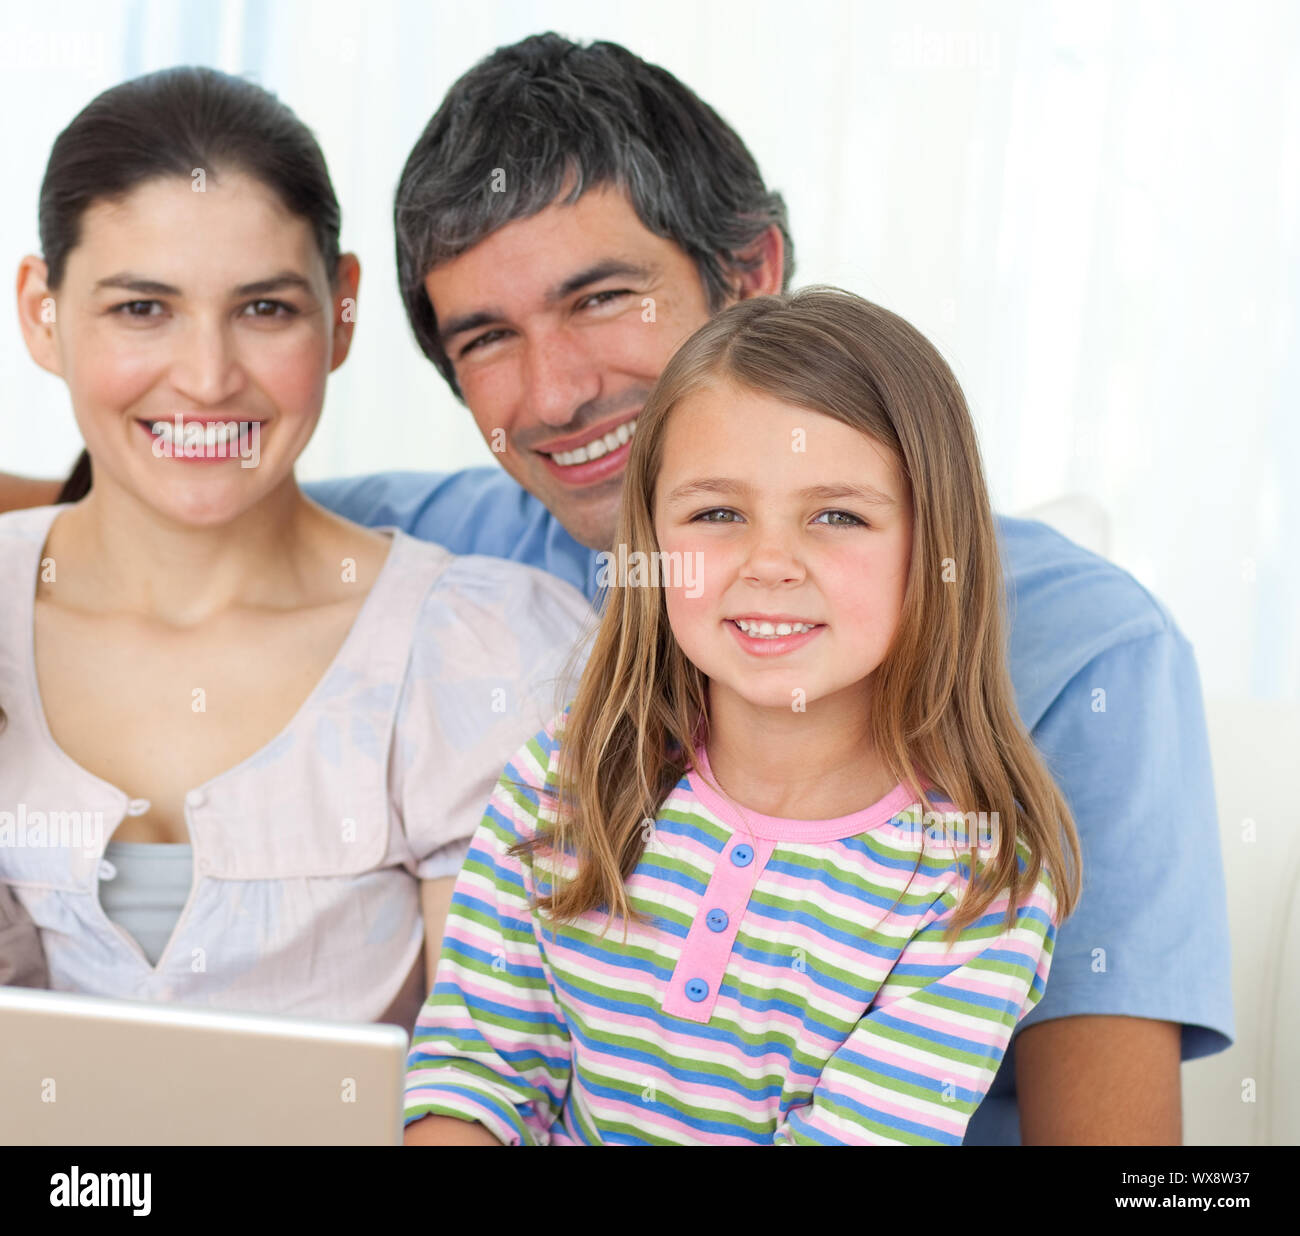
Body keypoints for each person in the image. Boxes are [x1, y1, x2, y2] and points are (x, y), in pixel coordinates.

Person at [0, 34, 1233, 1144]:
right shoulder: (456, 545)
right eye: (486, 336)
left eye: (602, 298)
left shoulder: (1084, 654)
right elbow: (181, 482)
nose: (553, 394)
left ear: (751, 271)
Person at [404, 287, 1081, 1145]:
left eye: (836, 516)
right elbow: (475, 1074)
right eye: (717, 514)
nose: (769, 563)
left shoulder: (975, 884)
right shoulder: (562, 781)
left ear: (932, 547)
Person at [0, 66, 589, 1032]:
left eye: (264, 308)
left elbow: (498, 1087)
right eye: (141, 309)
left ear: (341, 309)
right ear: (42, 312)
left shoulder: (483, 654)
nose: (206, 377)